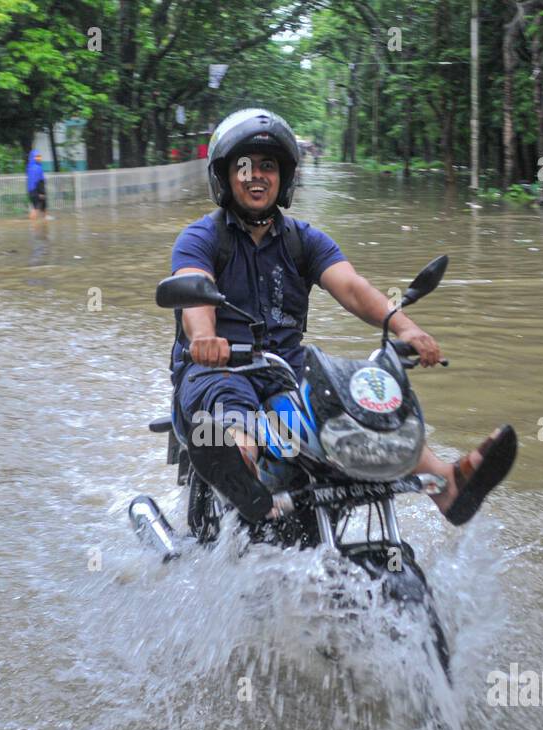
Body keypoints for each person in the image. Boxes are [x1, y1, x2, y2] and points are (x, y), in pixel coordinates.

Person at [169, 108, 516, 526]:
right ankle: (241, 468)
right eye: (243, 166)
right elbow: (194, 290)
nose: (255, 175)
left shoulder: (304, 240)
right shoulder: (202, 236)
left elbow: (352, 288)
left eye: (267, 166)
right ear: (224, 176)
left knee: (346, 401)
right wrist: (206, 336)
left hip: (284, 366)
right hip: (217, 368)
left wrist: (406, 328)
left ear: (283, 179)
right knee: (229, 402)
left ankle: (445, 483)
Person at [25, 150, 47, 219]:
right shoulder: (38, 168)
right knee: (38, 208)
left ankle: (34, 224)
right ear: (33, 158)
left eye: (39, 156)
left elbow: (30, 181)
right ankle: (43, 220)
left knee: (35, 207)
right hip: (37, 191)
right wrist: (42, 192)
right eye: (37, 157)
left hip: (30, 191)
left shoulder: (29, 168)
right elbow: (40, 181)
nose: (39, 158)